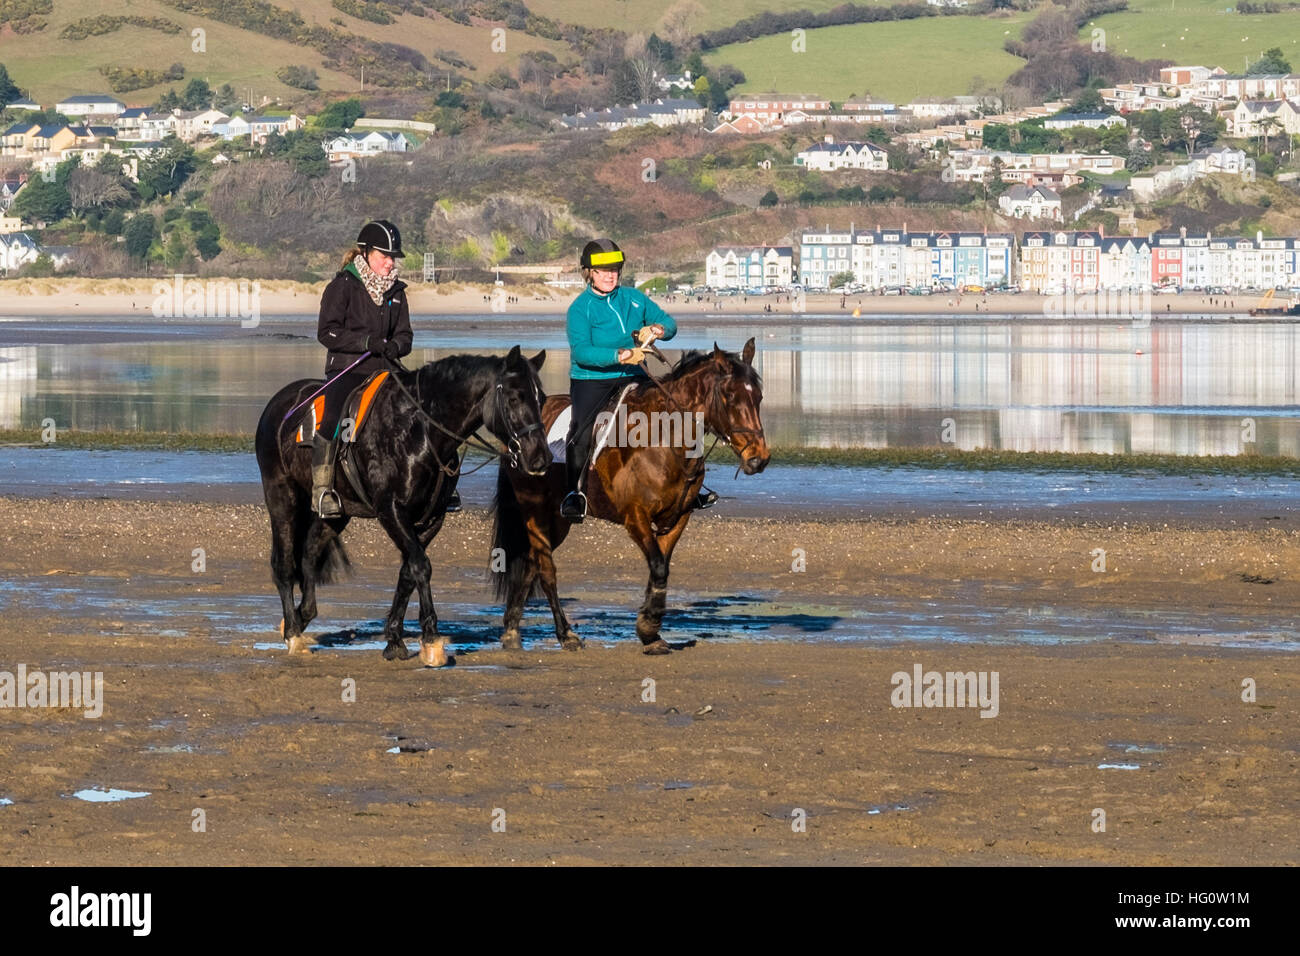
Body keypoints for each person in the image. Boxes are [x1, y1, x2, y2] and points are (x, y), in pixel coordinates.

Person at [560, 238, 716, 521]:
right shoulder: (579, 309)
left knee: (679, 416)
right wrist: (619, 355)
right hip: (592, 380)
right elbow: (582, 352)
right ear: (589, 273)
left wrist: (656, 329)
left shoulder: (635, 297)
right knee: (581, 431)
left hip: (635, 375)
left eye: (615, 269)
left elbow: (670, 323)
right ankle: (575, 493)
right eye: (603, 270)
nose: (611, 275)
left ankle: (693, 487)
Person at [313, 220, 456, 516]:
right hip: (347, 369)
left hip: (387, 369)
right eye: (385, 257)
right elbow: (327, 332)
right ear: (364, 253)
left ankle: (444, 487)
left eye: (393, 258)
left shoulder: (397, 292)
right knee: (331, 417)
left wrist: (395, 347)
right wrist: (366, 342)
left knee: (427, 408)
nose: (390, 263)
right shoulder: (342, 286)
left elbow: (406, 335)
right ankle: (322, 489)